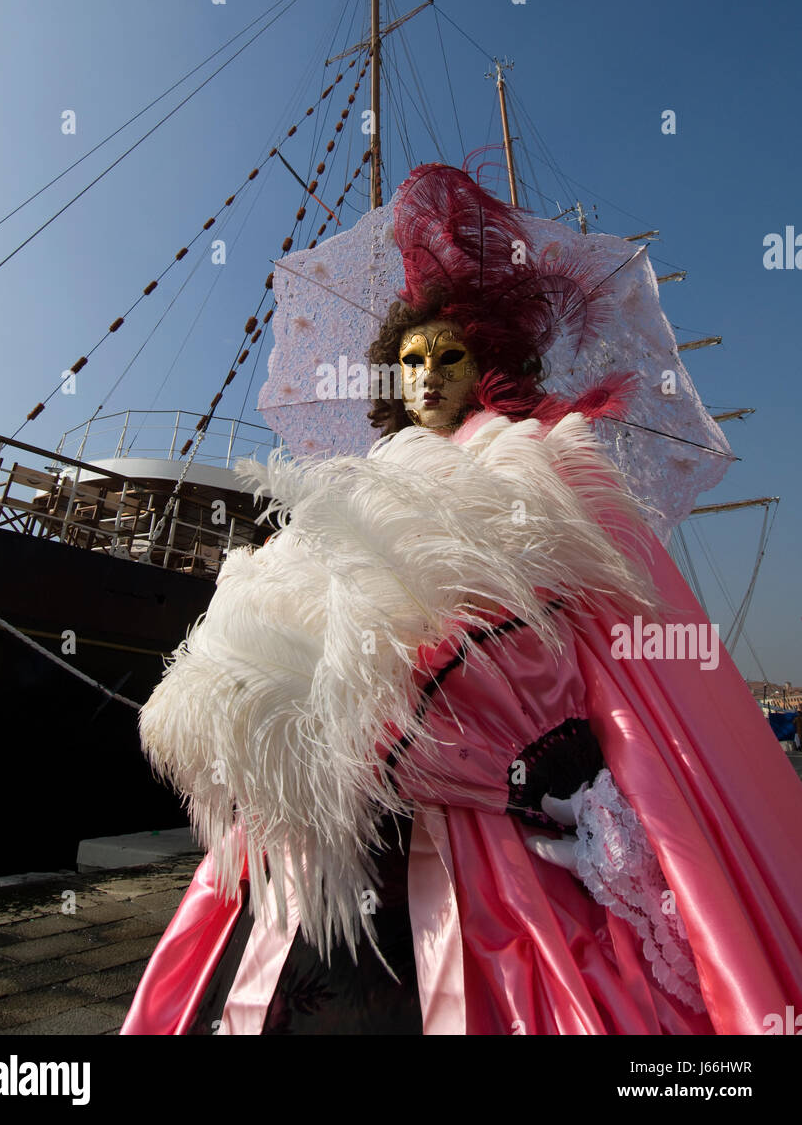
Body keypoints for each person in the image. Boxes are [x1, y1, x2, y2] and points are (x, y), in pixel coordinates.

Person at [122, 164, 802, 1036]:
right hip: (343, 821)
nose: (426, 376)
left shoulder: (534, 464)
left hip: (482, 821)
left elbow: (549, 654)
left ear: (488, 364)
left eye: (449, 357)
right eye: (409, 360)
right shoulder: (365, 486)